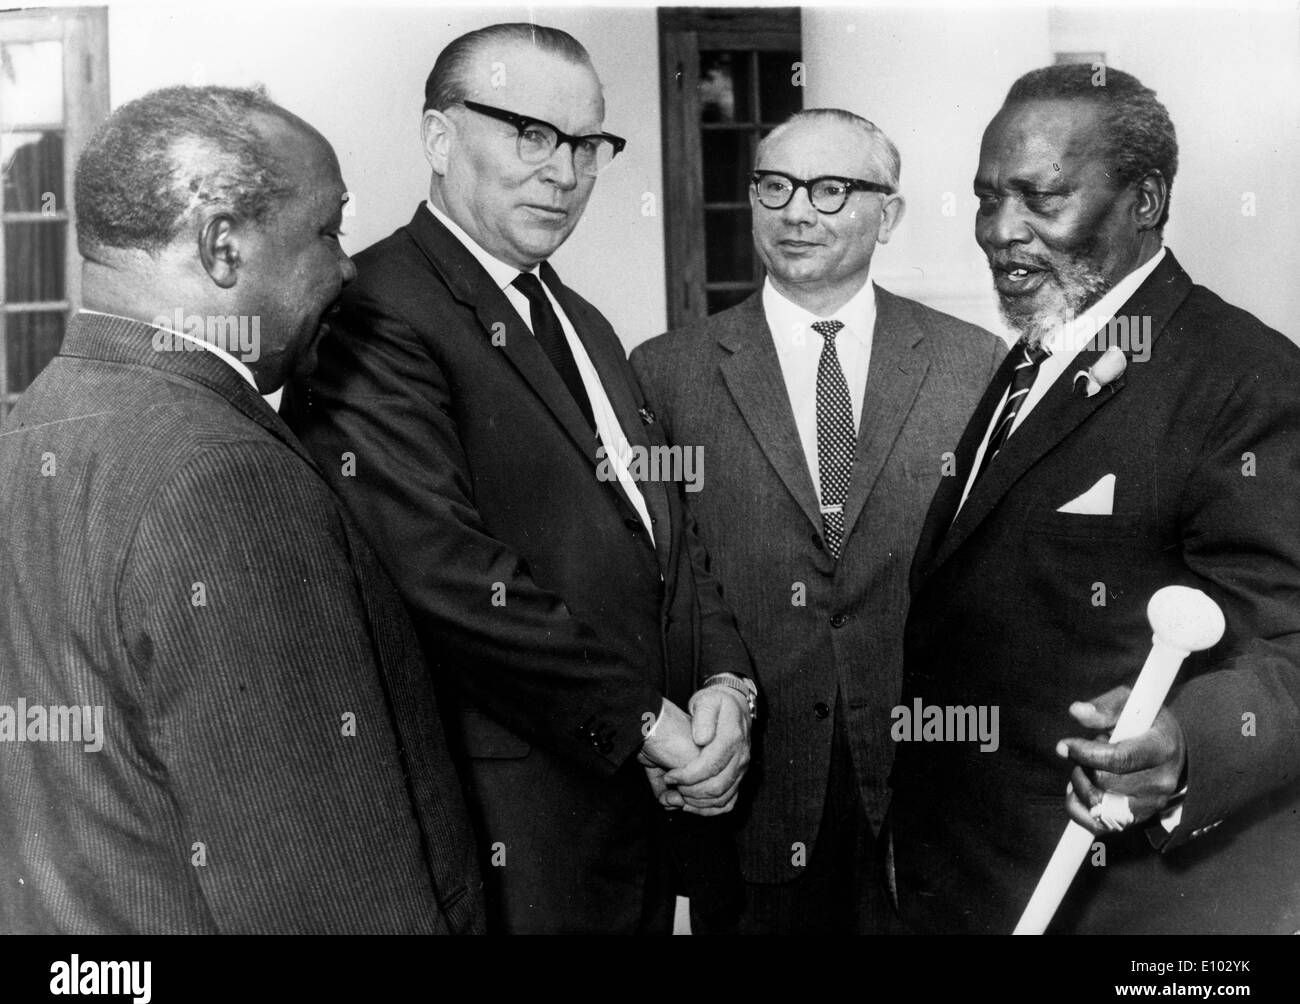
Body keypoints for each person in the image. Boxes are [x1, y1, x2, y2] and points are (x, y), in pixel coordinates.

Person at [281, 23, 755, 934]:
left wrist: (726, 688)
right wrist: (645, 722)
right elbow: (447, 571)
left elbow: (668, 540)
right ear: (437, 137)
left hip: (639, 815)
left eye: (584, 145)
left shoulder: (581, 319)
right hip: (512, 827)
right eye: (529, 134)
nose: (563, 172)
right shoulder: (376, 310)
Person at [0, 85, 483, 934]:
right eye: (328, 229)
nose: (347, 266)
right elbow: (327, 893)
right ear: (223, 244)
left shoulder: (40, 416)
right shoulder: (225, 476)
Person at [890, 64, 1300, 934]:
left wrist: (1190, 742)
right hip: (972, 880)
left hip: (1118, 903)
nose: (1001, 233)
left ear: (1145, 199)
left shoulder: (1246, 379)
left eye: (1041, 198)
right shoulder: (1042, 351)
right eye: (987, 198)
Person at [631, 109, 1004, 933]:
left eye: (832, 190)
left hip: (930, 794)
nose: (797, 211)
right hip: (755, 797)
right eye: (775, 186)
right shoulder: (666, 373)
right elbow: (672, 570)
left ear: (889, 214)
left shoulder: (973, 365)